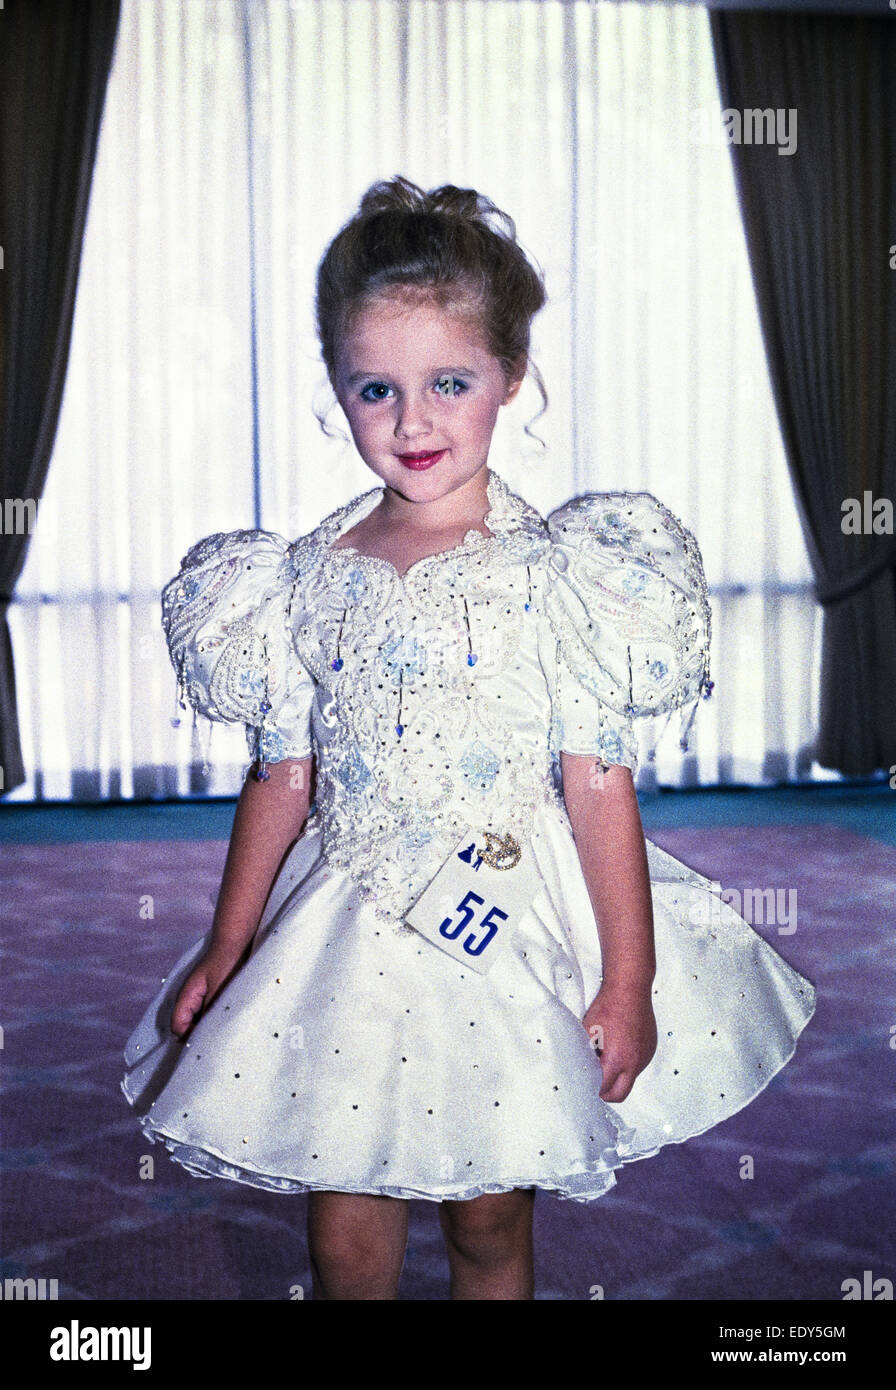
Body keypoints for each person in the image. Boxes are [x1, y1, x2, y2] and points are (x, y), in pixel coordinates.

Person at [122, 175, 815, 1301]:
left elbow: (596, 783)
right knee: (344, 1228)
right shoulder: (298, 578)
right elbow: (280, 773)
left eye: (448, 382)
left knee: (488, 1213)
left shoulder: (563, 574)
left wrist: (627, 979)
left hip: (504, 924)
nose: (411, 421)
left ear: (509, 378)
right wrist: (227, 941)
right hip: (342, 932)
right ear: (337, 396)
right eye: (374, 389)